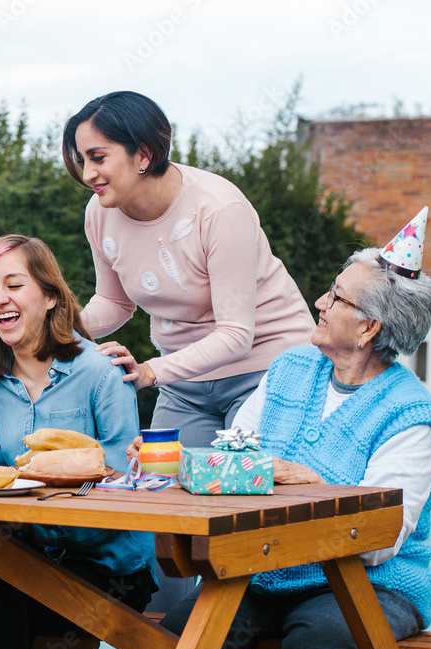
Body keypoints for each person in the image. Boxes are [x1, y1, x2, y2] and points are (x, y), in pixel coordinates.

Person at [141, 218, 431, 649]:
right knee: (168, 645)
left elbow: (382, 538)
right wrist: (182, 462)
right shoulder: (291, 368)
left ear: (369, 330)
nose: (321, 302)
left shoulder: (410, 414)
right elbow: (235, 454)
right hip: (265, 575)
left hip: (372, 584)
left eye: (338, 298)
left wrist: (313, 486)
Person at [62, 91, 315, 611]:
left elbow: (236, 333)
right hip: (186, 381)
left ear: (144, 153)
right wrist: (59, 332)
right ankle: (160, 645)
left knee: (240, 521)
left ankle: (241, 645)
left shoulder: (218, 208)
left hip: (267, 370)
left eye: (98, 156)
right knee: (162, 511)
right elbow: (114, 301)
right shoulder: (100, 213)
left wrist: (154, 370)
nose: (87, 172)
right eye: (81, 158)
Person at [0, 235, 156, 649]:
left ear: (51, 296)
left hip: (109, 564)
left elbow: (121, 480)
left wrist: (39, 505)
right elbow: (2, 478)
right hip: (34, 548)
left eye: (14, 285)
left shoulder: (100, 371)